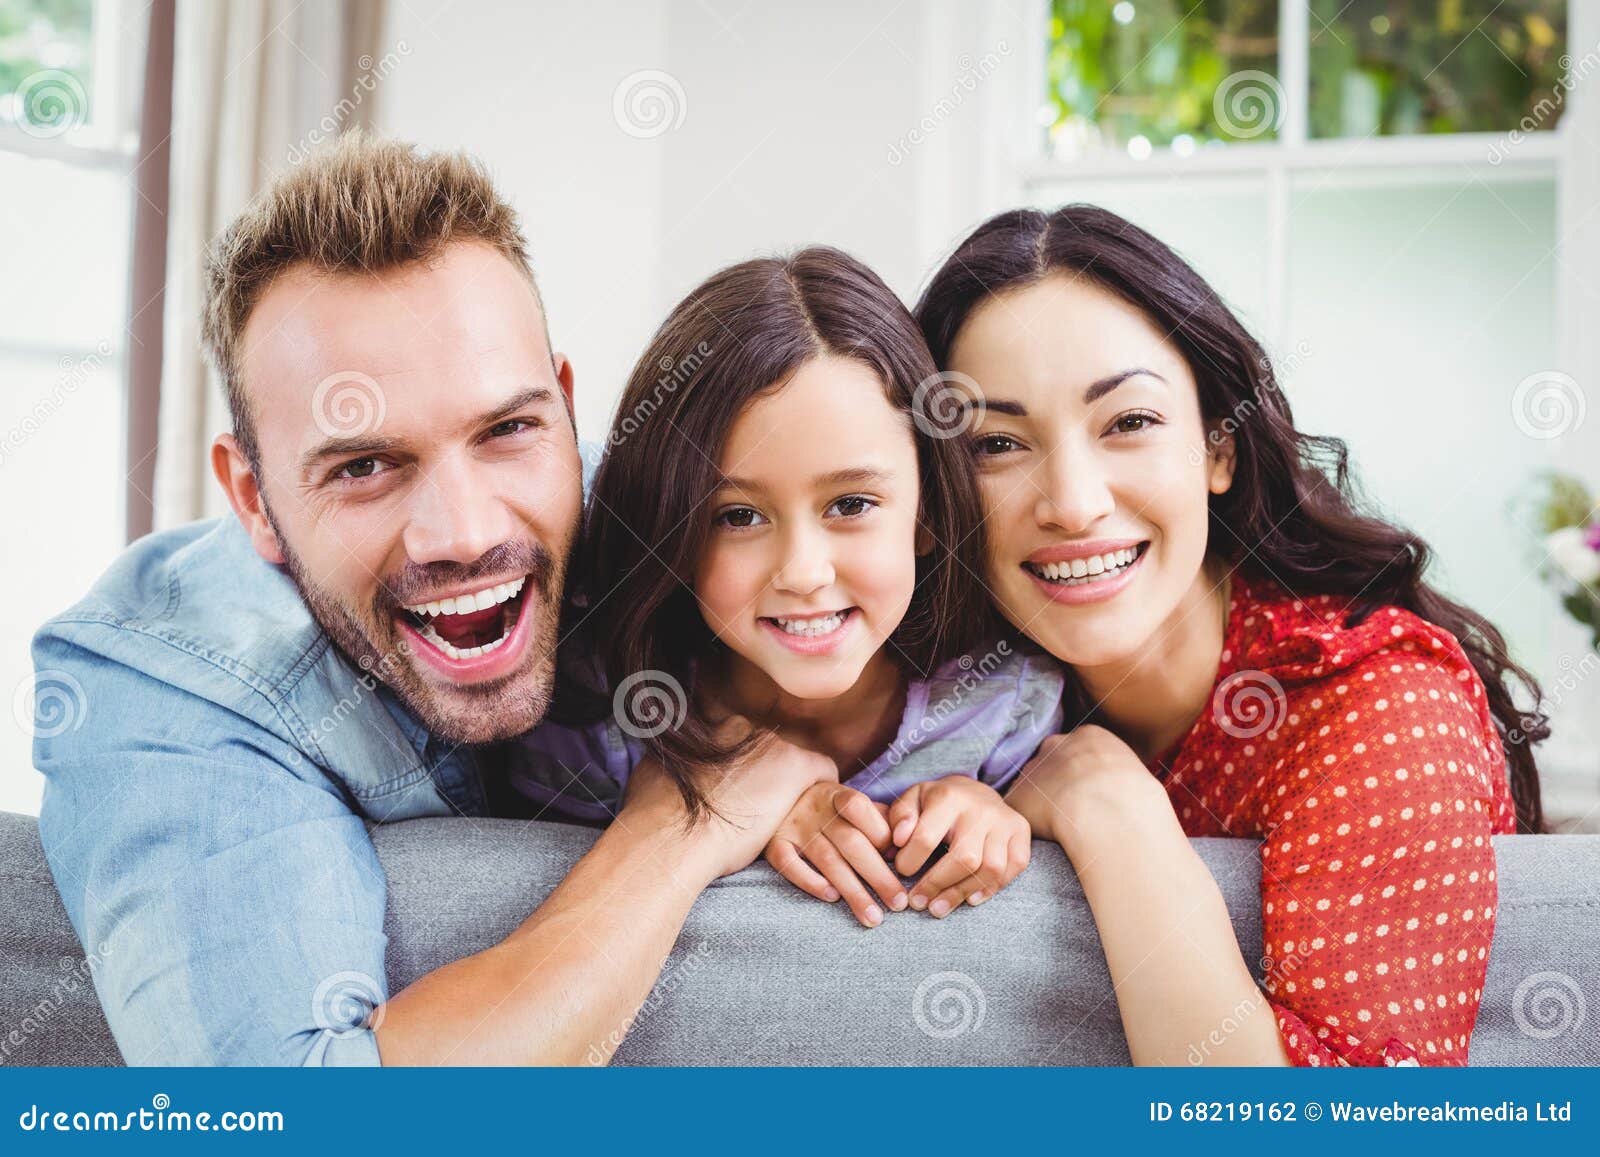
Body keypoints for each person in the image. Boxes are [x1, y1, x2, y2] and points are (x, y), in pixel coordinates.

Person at [30, 134, 832, 1066]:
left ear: (566, 412)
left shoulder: (696, 533)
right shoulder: (162, 673)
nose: (461, 532)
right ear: (254, 498)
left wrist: (1043, 776)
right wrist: (680, 825)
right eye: (366, 465)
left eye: (507, 429)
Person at [915, 204, 1548, 1067]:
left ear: (1219, 448)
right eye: (996, 443)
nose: (1071, 500)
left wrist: (1104, 800)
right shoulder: (945, 693)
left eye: (1128, 423)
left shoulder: (1379, 696)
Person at [512, 248, 1063, 928]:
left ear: (927, 512)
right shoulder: (598, 724)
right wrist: (730, 806)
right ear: (674, 533)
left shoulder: (1001, 706)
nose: (803, 572)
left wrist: (990, 813)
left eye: (852, 504)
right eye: (738, 516)